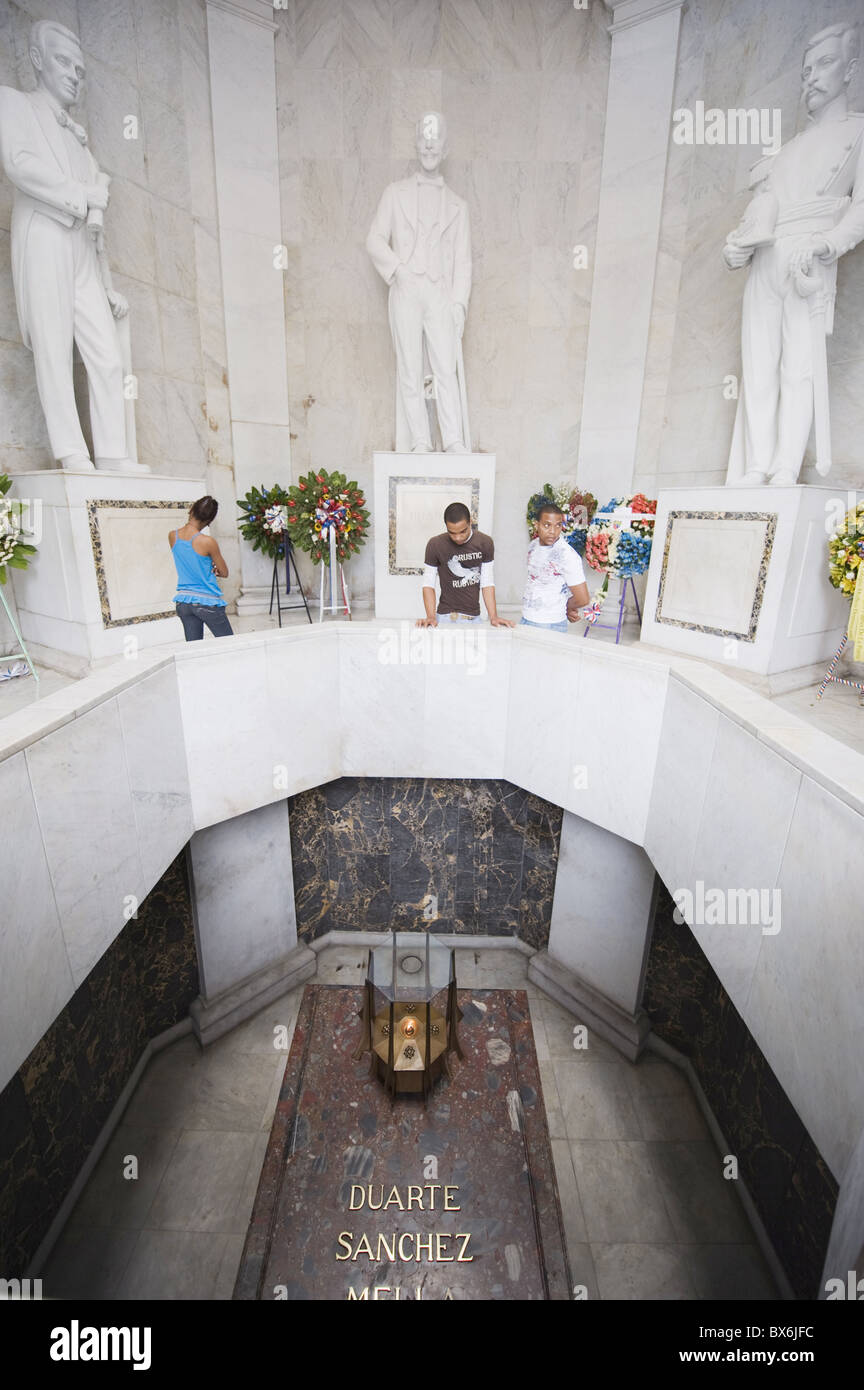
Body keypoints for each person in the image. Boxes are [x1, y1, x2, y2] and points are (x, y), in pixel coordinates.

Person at [723, 21, 864, 486]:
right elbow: (759, 213)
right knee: (758, 366)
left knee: (798, 366)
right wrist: (738, 245)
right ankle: (757, 463)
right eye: (805, 71)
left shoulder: (858, 134)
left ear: (850, 69)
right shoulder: (783, 153)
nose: (811, 78)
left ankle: (785, 465)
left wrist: (829, 242)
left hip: (810, 253)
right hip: (767, 258)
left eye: (824, 64)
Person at [0, 21, 144, 472]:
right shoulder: (13, 102)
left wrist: (107, 285)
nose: (74, 76)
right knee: (54, 347)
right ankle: (72, 452)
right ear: (38, 60)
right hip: (44, 234)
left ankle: (113, 453)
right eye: (64, 62)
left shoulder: (82, 142)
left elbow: (96, 229)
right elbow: (19, 165)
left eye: (80, 69)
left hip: (82, 249)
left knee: (107, 354)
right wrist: (81, 196)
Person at [366, 111, 471, 454]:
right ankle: (421, 441)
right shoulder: (394, 194)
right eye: (424, 136)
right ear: (416, 143)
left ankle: (453, 439)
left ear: (445, 146)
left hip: (440, 294)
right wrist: (399, 271)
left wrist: (458, 303)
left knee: (446, 370)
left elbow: (463, 260)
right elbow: (375, 240)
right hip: (406, 288)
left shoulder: (458, 205)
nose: (429, 143)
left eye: (435, 136)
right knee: (409, 369)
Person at [416, 502, 514, 628]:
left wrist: (493, 616)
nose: (458, 538)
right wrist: (430, 616)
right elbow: (428, 583)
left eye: (463, 531)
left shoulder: (485, 542)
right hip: (445, 617)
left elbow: (487, 582)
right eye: (452, 533)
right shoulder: (435, 544)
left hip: (473, 618)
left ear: (470, 522)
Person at [169, 497, 233, 641]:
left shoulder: (173, 536)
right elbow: (224, 572)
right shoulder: (208, 542)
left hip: (183, 602)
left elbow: (187, 560)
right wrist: (214, 568)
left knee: (193, 649)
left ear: (191, 510)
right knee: (230, 645)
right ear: (209, 521)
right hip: (207, 602)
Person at [521, 504, 590, 633]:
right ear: (536, 525)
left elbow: (583, 598)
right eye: (547, 525)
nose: (553, 531)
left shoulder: (567, 555)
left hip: (549, 623)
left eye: (558, 525)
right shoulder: (533, 546)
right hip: (526, 617)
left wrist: (567, 607)